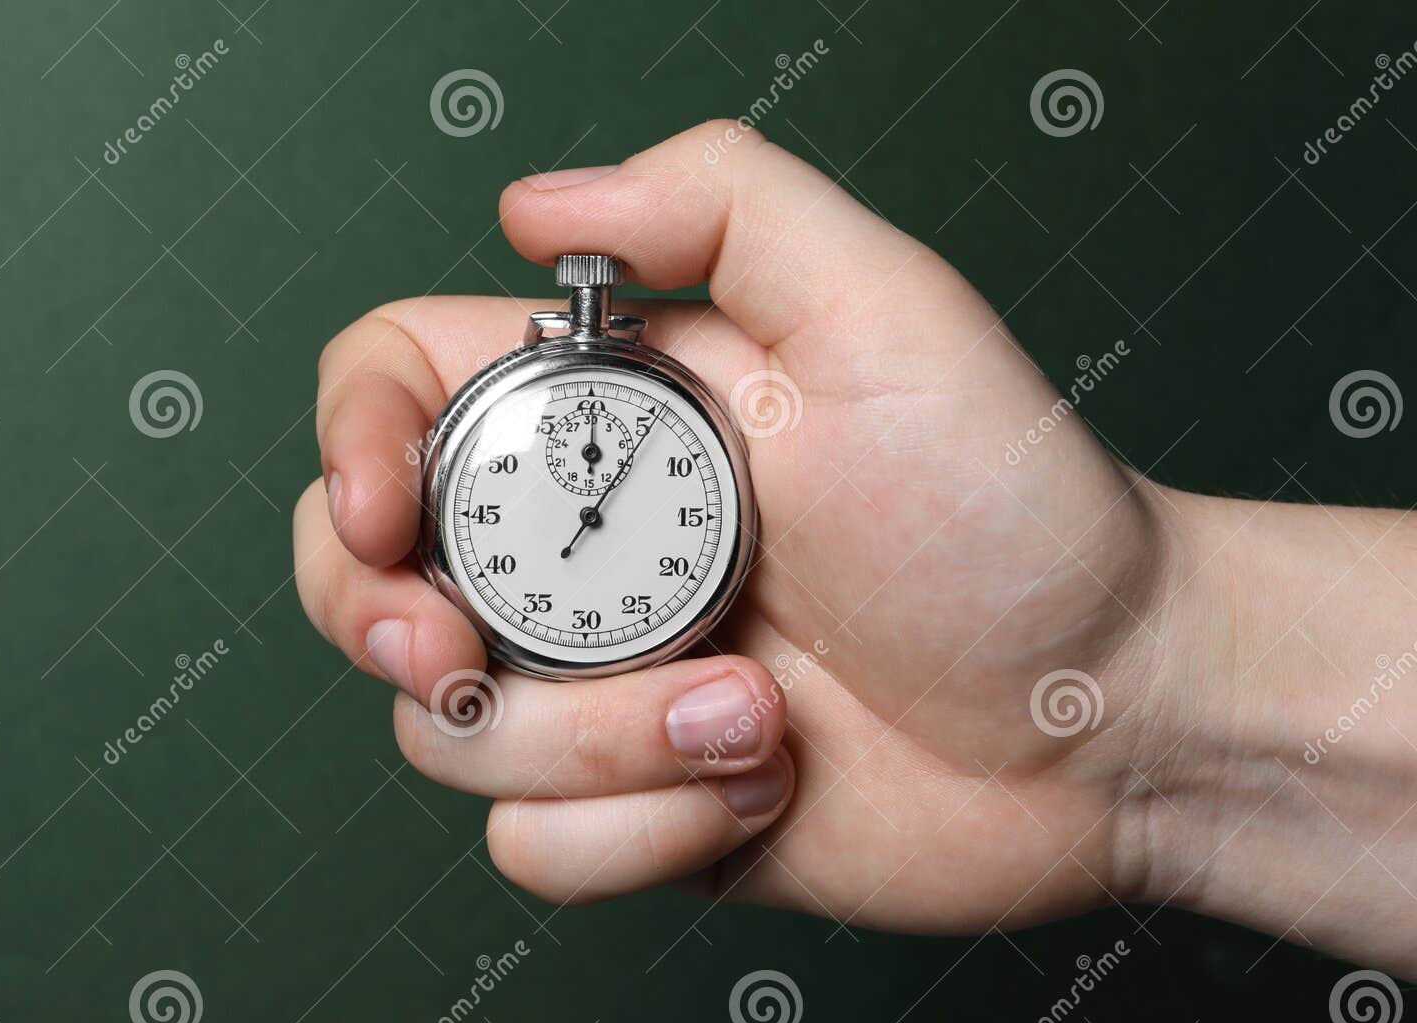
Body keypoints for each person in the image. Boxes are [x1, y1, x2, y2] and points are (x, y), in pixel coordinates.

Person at [294, 120, 1415, 979]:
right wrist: (1127, 705)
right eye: (578, 504)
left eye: (622, 491)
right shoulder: (507, 451)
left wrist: (1141, 666)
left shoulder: (706, 439)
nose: (592, 512)